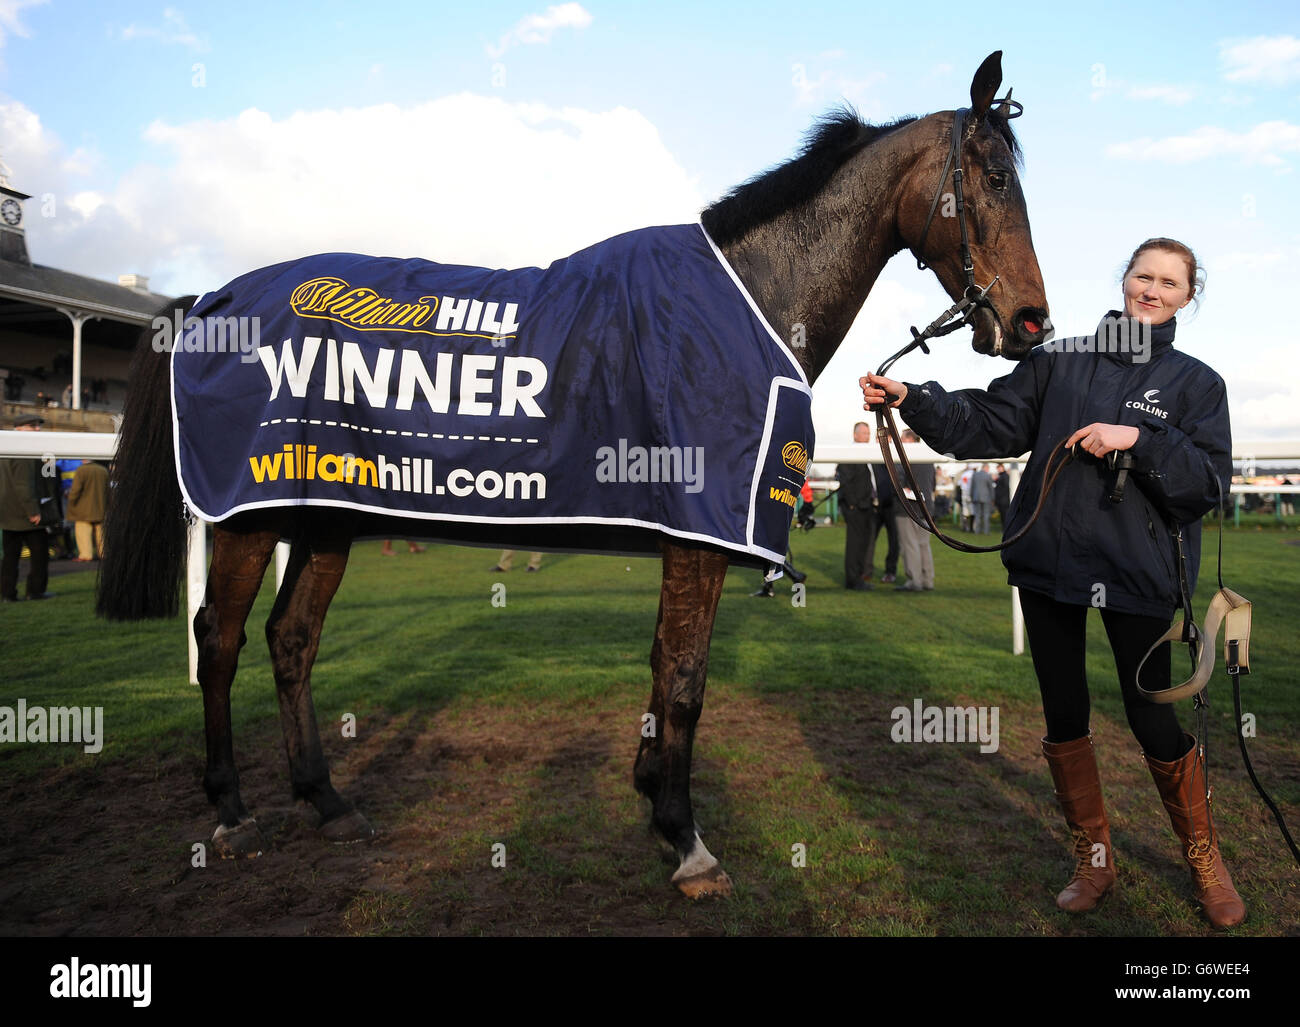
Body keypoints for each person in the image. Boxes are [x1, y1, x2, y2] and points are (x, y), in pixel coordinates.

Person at [860, 238, 1243, 929]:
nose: (1151, 289)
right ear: (1124, 279)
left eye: (1168, 282)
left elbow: (1207, 485)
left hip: (1140, 578)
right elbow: (988, 422)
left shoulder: (1198, 383)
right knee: (1065, 715)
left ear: (1188, 296)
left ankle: (1203, 858)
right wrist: (915, 397)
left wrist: (1138, 440)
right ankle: (1092, 858)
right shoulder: (1057, 362)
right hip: (1049, 571)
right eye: (1142, 275)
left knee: (1153, 718)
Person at [1, 414, 55, 600]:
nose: (37, 429)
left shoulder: (6, 447)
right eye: (33, 426)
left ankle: (7, 593)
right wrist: (33, 510)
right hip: (26, 515)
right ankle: (35, 591)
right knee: (39, 556)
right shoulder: (24, 452)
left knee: (10, 558)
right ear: (20, 429)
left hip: (8, 514)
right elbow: (24, 485)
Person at [835, 422, 876, 590]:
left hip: (866, 506)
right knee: (855, 545)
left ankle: (858, 578)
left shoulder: (867, 454)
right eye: (864, 433)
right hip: (855, 508)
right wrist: (852, 504)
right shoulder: (850, 454)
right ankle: (853, 580)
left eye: (868, 433)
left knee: (863, 544)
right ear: (855, 435)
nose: (867, 436)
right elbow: (844, 480)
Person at [893, 429, 935, 592]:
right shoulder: (928, 457)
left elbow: (898, 482)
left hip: (908, 510)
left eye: (902, 438)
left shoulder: (903, 456)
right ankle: (927, 580)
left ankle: (914, 581)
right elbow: (933, 483)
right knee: (924, 545)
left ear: (909, 439)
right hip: (927, 509)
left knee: (910, 545)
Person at [67, 459, 109, 561]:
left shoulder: (81, 470)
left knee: (83, 532)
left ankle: (86, 555)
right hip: (100, 506)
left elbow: (75, 490)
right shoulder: (103, 470)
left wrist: (71, 502)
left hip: (83, 508)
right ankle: (104, 553)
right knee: (101, 533)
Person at [871, 464, 900, 582]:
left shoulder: (894, 459)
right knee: (869, 539)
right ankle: (865, 569)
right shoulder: (873, 459)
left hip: (891, 505)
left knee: (894, 541)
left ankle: (890, 571)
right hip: (875, 505)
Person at [970, 463, 994, 534]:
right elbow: (991, 488)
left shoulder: (975, 475)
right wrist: (993, 498)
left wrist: (972, 496)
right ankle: (986, 531)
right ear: (986, 468)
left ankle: (977, 531)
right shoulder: (988, 476)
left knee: (977, 515)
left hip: (976, 497)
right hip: (986, 497)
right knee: (986, 515)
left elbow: (972, 487)